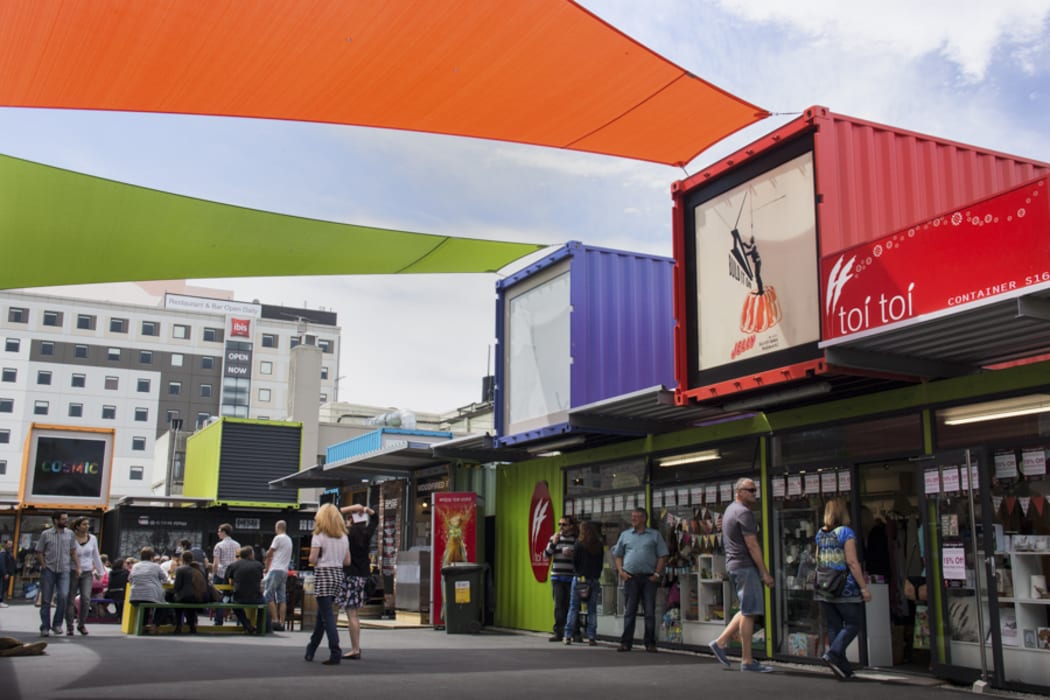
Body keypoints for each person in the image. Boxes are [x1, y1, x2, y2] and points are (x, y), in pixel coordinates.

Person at [709, 477, 775, 673]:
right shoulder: (744, 513)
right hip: (745, 566)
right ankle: (747, 660)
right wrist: (765, 572)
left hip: (735, 565)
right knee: (749, 613)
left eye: (755, 490)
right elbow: (752, 545)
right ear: (739, 491)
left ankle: (720, 642)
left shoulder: (730, 509)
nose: (755, 493)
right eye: (750, 490)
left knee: (747, 608)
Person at [816, 498, 872, 679]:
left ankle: (842, 667)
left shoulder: (820, 533)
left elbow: (817, 558)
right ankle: (833, 654)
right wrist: (863, 588)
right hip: (844, 586)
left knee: (834, 626)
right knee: (854, 623)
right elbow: (852, 562)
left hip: (824, 586)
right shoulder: (846, 533)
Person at [612, 507, 668, 652]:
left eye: (636, 517)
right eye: (632, 517)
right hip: (630, 577)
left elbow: (662, 555)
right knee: (630, 610)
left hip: (649, 578)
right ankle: (626, 642)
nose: (633, 519)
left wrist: (657, 574)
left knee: (649, 611)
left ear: (644, 518)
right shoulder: (625, 535)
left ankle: (650, 643)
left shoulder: (654, 535)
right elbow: (618, 555)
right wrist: (620, 571)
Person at [305, 503, 350, 665]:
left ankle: (335, 651)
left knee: (327, 616)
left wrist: (319, 559)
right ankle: (311, 649)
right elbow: (347, 560)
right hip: (338, 574)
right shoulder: (344, 536)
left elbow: (312, 559)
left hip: (323, 573)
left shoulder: (319, 535)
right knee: (323, 615)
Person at [339, 503, 377, 659]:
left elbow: (335, 512)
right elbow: (375, 519)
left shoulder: (347, 535)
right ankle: (355, 647)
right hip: (363, 576)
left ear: (351, 521)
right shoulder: (367, 534)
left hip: (350, 576)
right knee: (355, 614)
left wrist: (353, 507)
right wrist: (366, 510)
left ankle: (355, 648)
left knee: (351, 614)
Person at [35, 512, 79, 637]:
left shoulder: (70, 534)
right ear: (55, 520)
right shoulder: (46, 534)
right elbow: (39, 551)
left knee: (63, 597)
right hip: (49, 569)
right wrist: (43, 565)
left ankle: (57, 624)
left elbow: (73, 551)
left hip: (64, 570)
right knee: (46, 600)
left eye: (66, 519)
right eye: (63, 519)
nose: (66, 521)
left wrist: (78, 566)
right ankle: (45, 627)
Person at [565, 520, 605, 646]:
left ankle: (568, 635)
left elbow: (575, 562)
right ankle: (592, 636)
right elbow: (600, 564)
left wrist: (577, 573)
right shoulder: (598, 545)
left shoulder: (579, 544)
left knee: (573, 607)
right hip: (593, 579)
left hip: (580, 578)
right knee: (592, 609)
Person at [65, 517, 105, 635]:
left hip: (87, 571)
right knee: (70, 599)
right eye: (84, 524)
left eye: (88, 524)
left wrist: (100, 572)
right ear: (77, 526)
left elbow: (96, 555)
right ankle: (69, 626)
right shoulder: (71, 538)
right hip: (72, 571)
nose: (87, 526)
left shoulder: (92, 538)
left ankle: (81, 624)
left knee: (86, 599)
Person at [544, 515, 578, 642]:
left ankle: (573, 632)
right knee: (559, 605)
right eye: (559, 524)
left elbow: (580, 557)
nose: (561, 527)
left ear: (570, 526)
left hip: (571, 576)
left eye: (564, 524)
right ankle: (558, 632)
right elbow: (546, 555)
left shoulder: (575, 540)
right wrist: (553, 543)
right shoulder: (554, 538)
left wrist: (572, 554)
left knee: (572, 605)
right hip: (557, 576)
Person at [225, 546, 264, 634]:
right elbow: (260, 579)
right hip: (255, 597)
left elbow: (231, 582)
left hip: (239, 597)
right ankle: (262, 627)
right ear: (250, 555)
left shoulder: (234, 565)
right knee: (264, 604)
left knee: (233, 604)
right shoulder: (258, 565)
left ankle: (247, 625)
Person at [129, 546, 168, 633]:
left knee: (145, 604)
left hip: (134, 596)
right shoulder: (156, 566)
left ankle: (143, 626)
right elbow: (165, 579)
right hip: (151, 595)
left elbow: (130, 579)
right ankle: (155, 626)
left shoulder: (135, 566)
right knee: (163, 605)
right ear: (152, 557)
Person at [263, 520, 293, 631]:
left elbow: (270, 552)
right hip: (284, 570)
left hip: (275, 569)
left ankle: (275, 620)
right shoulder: (289, 539)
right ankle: (282, 622)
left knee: (268, 595)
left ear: (278, 527)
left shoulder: (278, 538)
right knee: (282, 598)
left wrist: (266, 555)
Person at [169, 550, 209, 633]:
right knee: (190, 605)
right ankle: (192, 626)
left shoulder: (180, 569)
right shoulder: (199, 568)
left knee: (175, 600)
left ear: (182, 559)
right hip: (198, 597)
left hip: (184, 597)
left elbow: (177, 587)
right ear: (192, 559)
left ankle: (178, 625)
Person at [211, 523, 240, 625]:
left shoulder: (219, 545)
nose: (218, 533)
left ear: (224, 532)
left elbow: (216, 563)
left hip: (220, 574)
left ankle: (218, 620)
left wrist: (213, 573)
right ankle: (239, 621)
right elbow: (238, 560)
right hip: (233, 574)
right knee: (233, 596)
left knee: (218, 597)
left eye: (219, 531)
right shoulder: (237, 545)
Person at [0, 539, 15, 608]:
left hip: (7, 573)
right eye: (9, 544)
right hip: (2, 574)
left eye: (11, 544)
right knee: (1, 587)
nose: (10, 546)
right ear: (5, 544)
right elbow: (2, 563)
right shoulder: (3, 553)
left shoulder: (9, 552)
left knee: (4, 587)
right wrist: (5, 573)